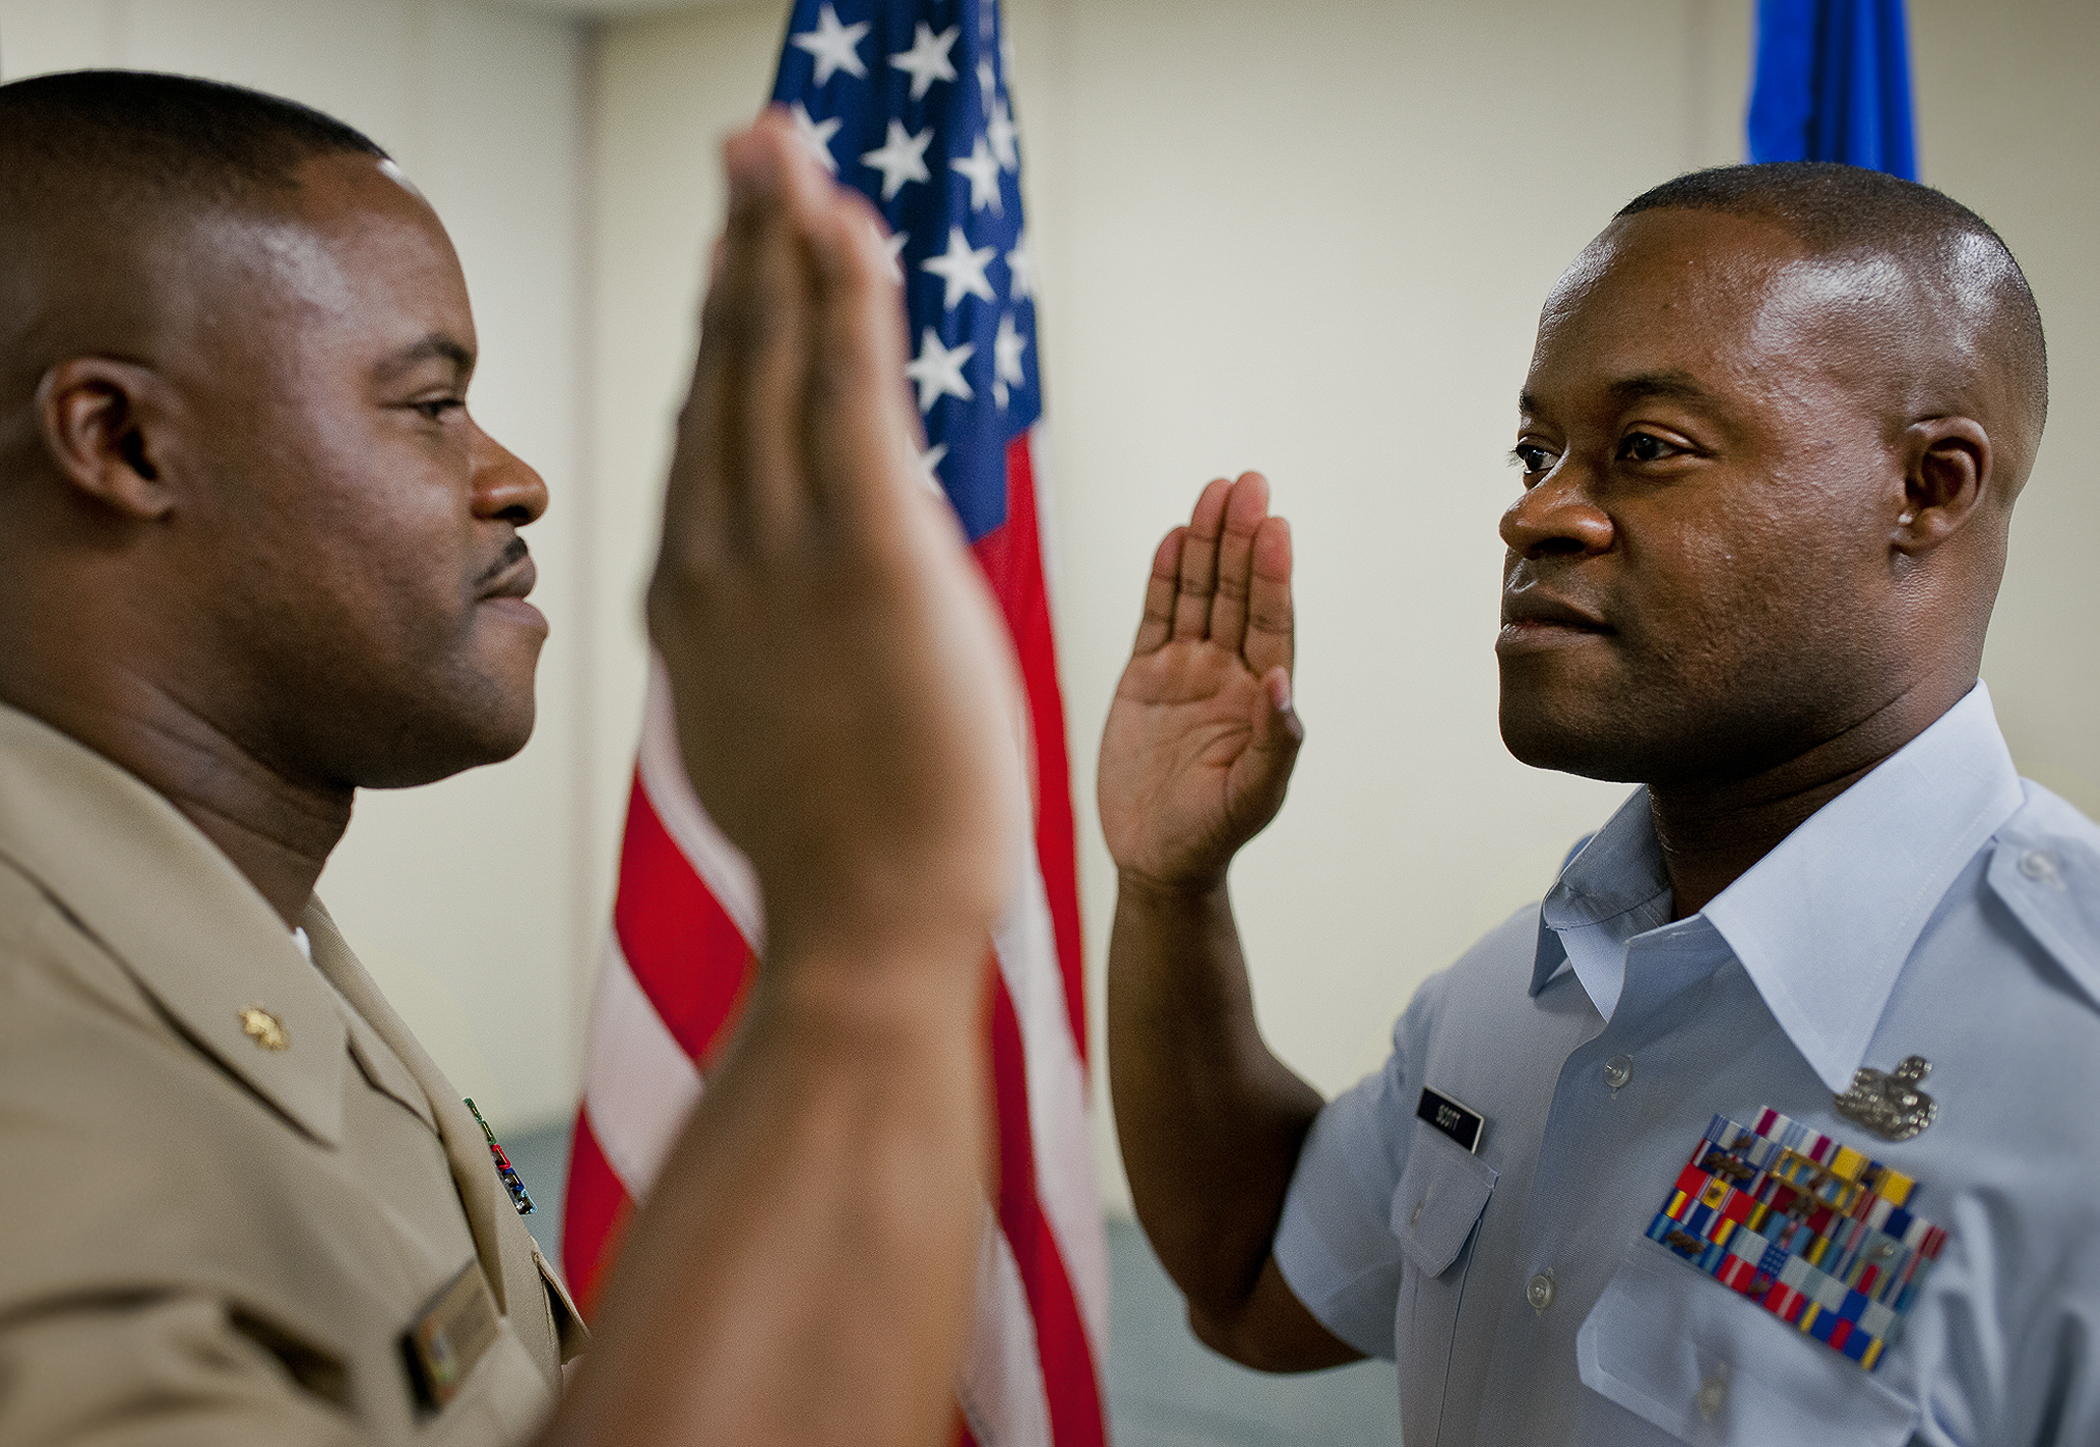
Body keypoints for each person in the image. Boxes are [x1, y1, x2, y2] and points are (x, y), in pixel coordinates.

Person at [0, 71, 1021, 1447]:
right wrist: (872, 922)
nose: (515, 476)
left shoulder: (241, 919)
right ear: (122, 440)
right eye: (431, 404)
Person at [1101, 163, 2100, 1444]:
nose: (1534, 511)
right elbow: (1250, 1283)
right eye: (1536, 450)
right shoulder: (1525, 988)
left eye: (1646, 449)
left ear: (1928, 488)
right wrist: (1169, 888)